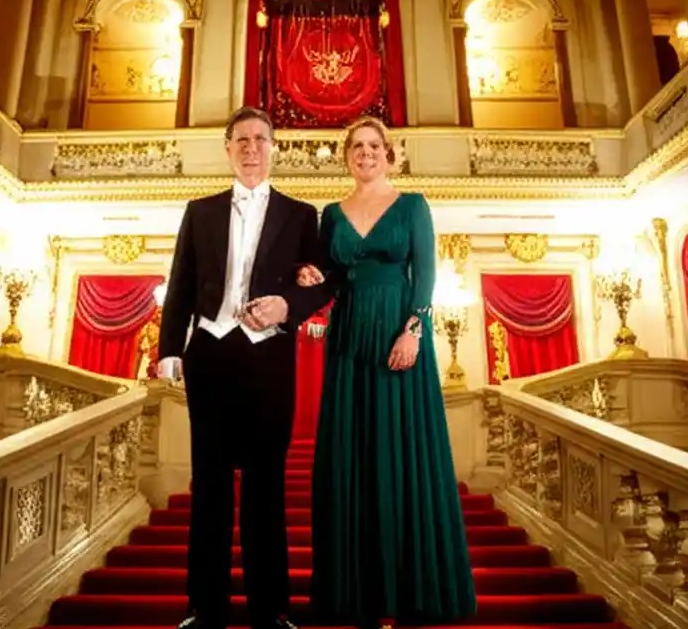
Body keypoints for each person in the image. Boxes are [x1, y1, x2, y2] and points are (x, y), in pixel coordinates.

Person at [297, 116, 477, 629]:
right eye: (357, 146)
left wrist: (414, 331)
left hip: (399, 342)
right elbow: (329, 280)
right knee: (355, 456)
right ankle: (358, 592)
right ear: (346, 155)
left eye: (375, 146)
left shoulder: (413, 206)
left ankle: (410, 589)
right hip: (350, 340)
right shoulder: (331, 215)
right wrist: (314, 276)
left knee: (401, 456)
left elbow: (426, 274)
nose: (366, 153)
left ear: (389, 154)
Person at [157, 106, 328, 629]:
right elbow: (181, 280)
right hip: (209, 353)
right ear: (228, 148)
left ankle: (270, 610)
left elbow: (320, 283)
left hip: (269, 357)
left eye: (260, 139)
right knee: (208, 488)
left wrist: (288, 307)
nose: (251, 148)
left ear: (274, 148)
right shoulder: (200, 210)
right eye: (242, 140)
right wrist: (170, 347)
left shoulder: (303, 216)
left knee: (265, 488)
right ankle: (202, 610)